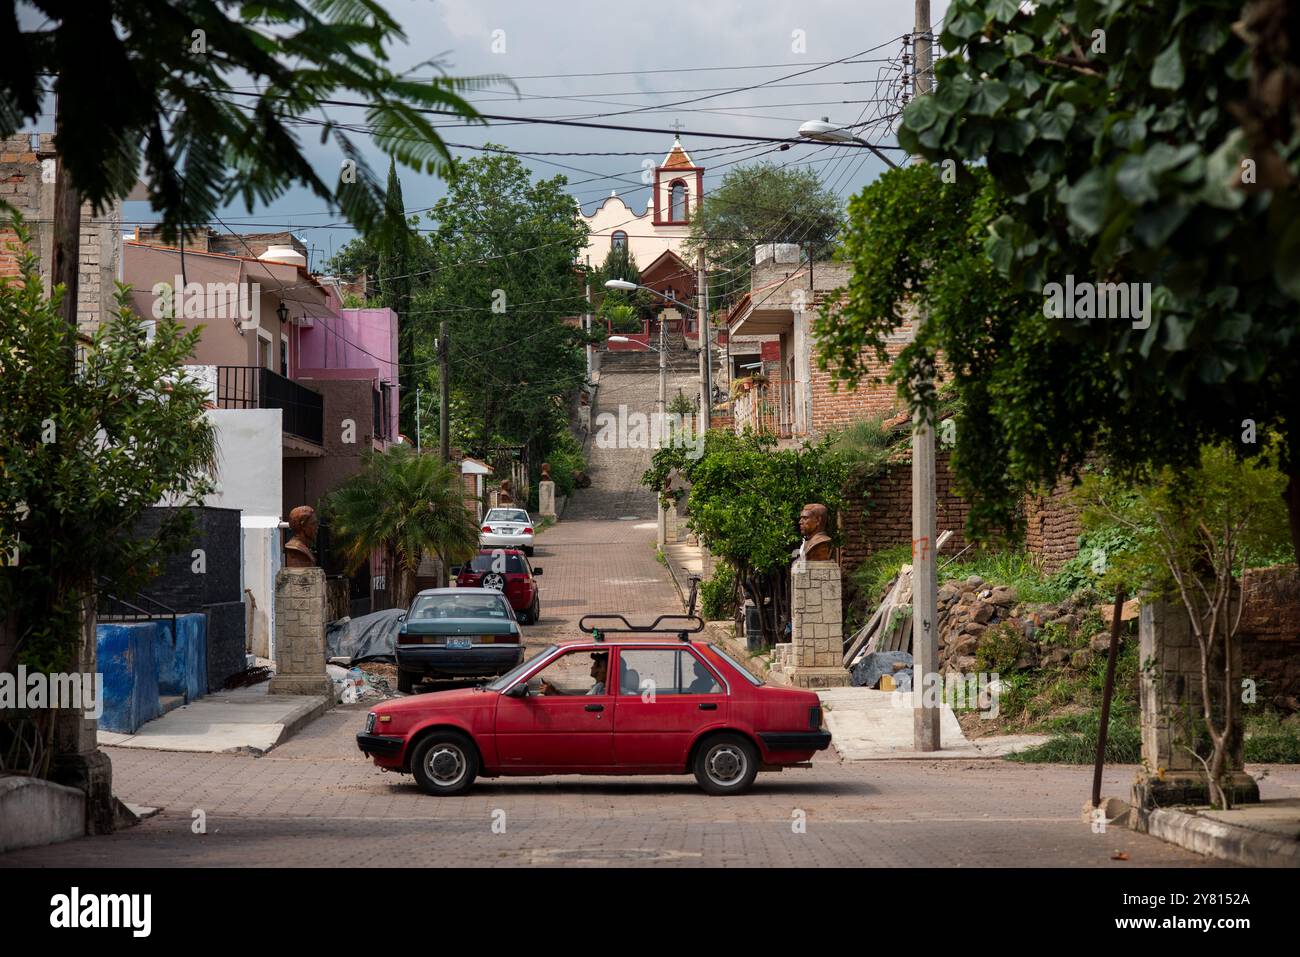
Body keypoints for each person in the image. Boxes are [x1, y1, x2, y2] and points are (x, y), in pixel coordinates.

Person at [541, 652, 608, 696]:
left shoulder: (601, 688)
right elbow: (579, 700)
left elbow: (582, 705)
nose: (592, 667)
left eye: (596, 665)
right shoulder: (598, 687)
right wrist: (555, 692)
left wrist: (553, 693)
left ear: (604, 669)